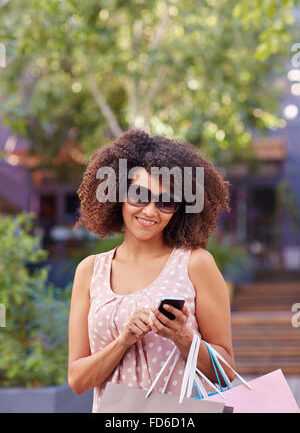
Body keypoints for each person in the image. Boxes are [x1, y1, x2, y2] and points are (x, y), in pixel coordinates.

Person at [68, 128, 235, 413]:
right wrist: (123, 341)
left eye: (165, 201)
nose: (150, 211)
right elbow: (78, 380)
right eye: (138, 196)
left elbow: (226, 372)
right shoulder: (90, 271)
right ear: (118, 195)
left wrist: (183, 337)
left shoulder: (196, 264)